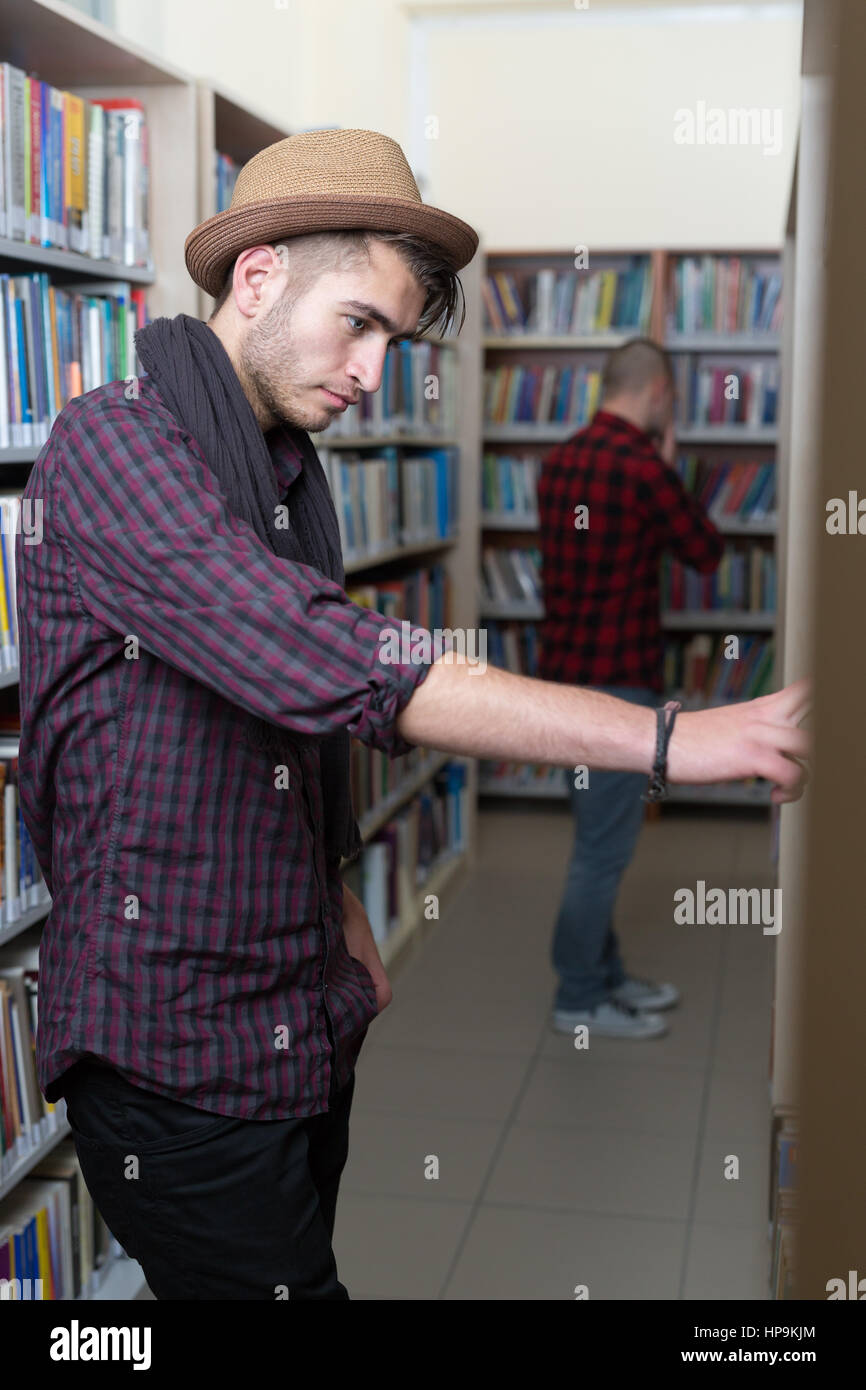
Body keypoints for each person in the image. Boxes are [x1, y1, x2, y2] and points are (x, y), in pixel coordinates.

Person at [15, 131, 810, 1300]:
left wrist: (337, 886)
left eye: (392, 336)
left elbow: (285, 719)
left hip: (298, 1012)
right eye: (358, 321)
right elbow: (319, 659)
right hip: (173, 1049)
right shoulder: (115, 446)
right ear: (258, 275)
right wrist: (671, 738)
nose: (375, 370)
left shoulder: (287, 467)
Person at [537, 339, 725, 1041]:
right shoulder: (645, 467)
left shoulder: (559, 462)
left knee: (594, 841)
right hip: (620, 687)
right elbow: (705, 552)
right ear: (657, 394)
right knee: (602, 852)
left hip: (560, 682)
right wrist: (671, 470)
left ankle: (606, 973)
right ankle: (580, 996)